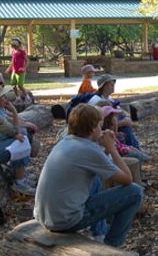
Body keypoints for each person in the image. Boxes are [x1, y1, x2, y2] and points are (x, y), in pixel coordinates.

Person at [34, 104, 143, 247]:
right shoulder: (89, 150)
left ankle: (98, 232)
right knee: (135, 192)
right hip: (64, 221)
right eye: (100, 125)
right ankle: (112, 246)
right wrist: (112, 147)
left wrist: (105, 148)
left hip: (44, 216)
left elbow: (100, 165)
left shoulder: (66, 141)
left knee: (96, 178)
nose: (102, 129)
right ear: (93, 128)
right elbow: (128, 180)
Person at [88, 73, 140, 149]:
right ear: (104, 86)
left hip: (111, 126)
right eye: (111, 85)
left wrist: (127, 116)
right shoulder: (97, 101)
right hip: (99, 130)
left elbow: (121, 110)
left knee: (126, 129)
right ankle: (133, 150)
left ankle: (134, 149)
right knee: (126, 130)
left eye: (113, 84)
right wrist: (122, 123)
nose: (113, 86)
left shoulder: (108, 99)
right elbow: (100, 124)